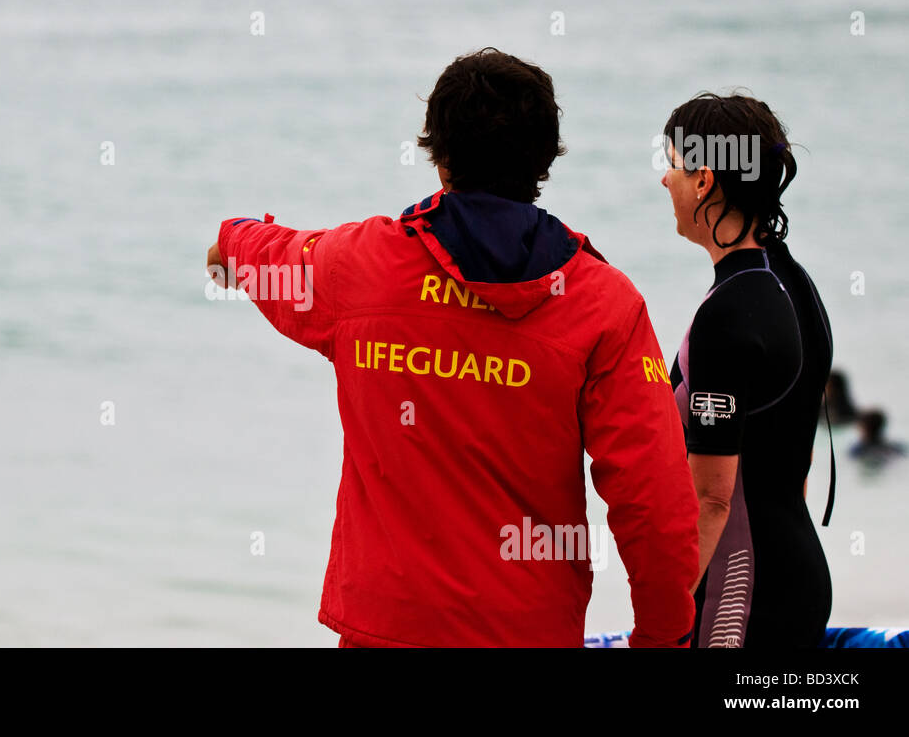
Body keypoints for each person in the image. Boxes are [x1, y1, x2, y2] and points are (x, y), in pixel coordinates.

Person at [207, 48, 699, 647]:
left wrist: (230, 244)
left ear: (439, 158)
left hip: (388, 629)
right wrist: (664, 636)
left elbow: (270, 253)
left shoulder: (360, 266)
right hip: (529, 630)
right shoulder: (603, 302)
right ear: (544, 160)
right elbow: (655, 502)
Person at [660, 93, 833, 648]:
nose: (666, 181)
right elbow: (794, 455)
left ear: (704, 180)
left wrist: (661, 621)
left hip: (738, 596)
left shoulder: (728, 314)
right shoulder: (795, 283)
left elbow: (711, 500)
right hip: (796, 572)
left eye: (673, 164)